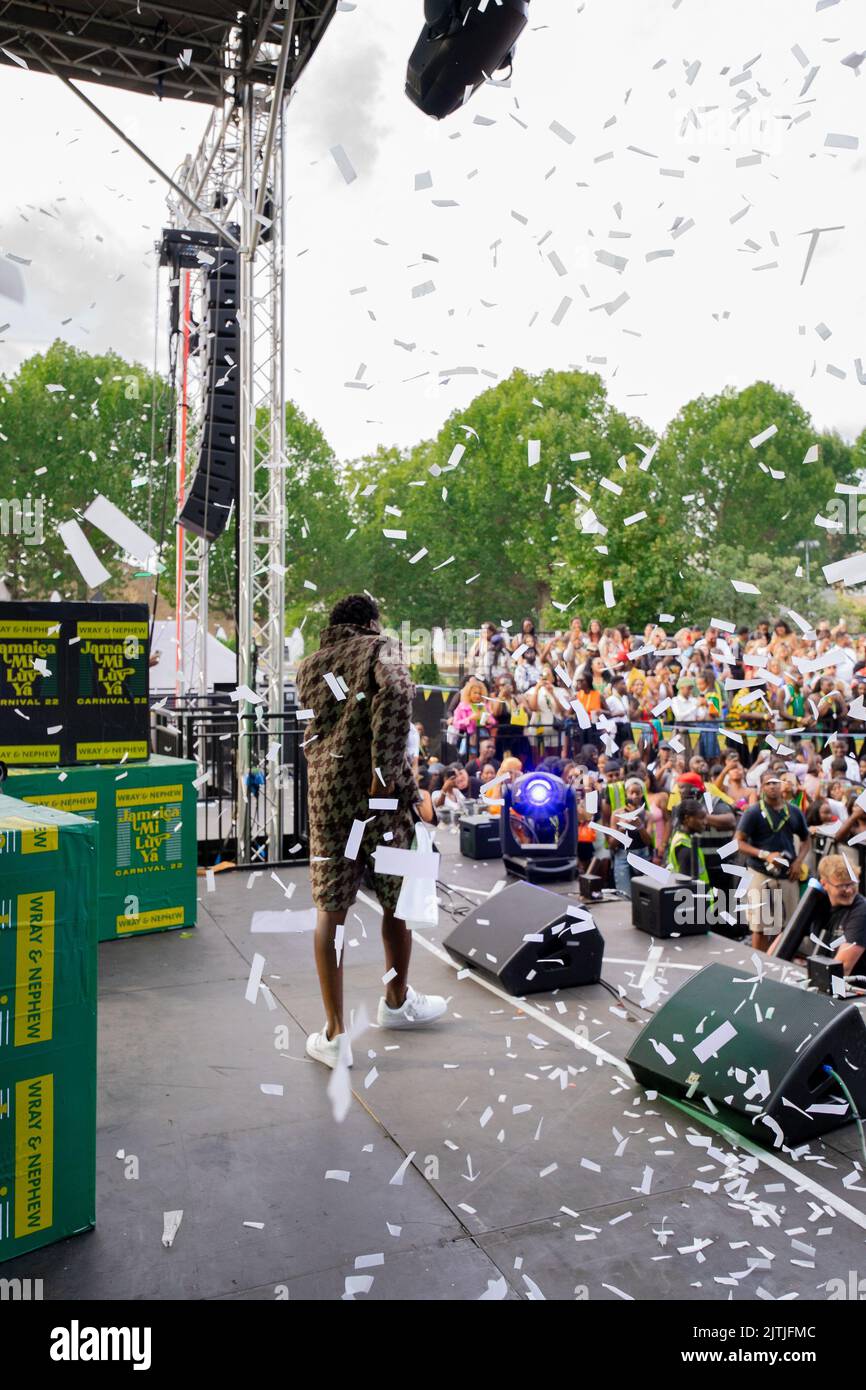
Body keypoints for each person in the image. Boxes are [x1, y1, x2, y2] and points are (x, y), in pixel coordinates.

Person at [295, 593, 446, 1069]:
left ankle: (336, 1034)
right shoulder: (380, 648)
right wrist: (388, 772)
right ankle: (397, 1001)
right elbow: (399, 690)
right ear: (370, 622)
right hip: (381, 800)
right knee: (398, 898)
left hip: (328, 801)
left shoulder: (308, 667)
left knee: (330, 909)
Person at [736, 768, 809, 952]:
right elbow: (738, 842)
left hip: (788, 875)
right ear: (761, 787)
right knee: (760, 927)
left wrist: (799, 862)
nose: (773, 786)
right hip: (760, 873)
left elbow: (807, 840)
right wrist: (764, 854)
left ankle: (782, 965)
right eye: (768, 783)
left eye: (776, 782)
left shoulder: (793, 811)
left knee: (788, 926)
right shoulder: (753, 813)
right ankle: (759, 965)